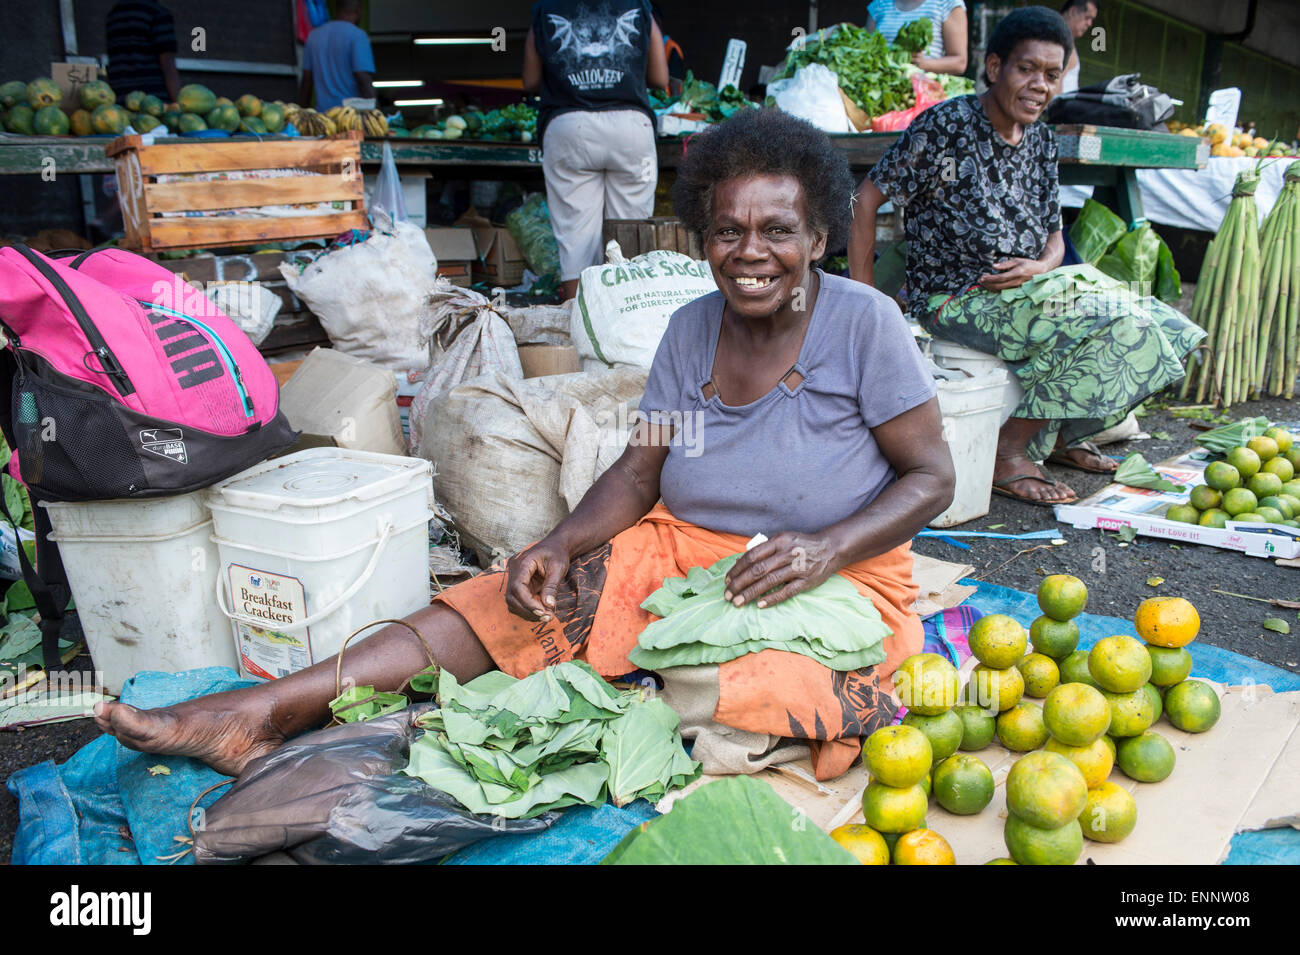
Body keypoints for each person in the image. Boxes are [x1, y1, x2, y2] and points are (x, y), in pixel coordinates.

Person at [93, 108, 956, 784]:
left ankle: (657, 687)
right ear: (702, 236)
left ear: (818, 237)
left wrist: (825, 547)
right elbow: (640, 467)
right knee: (499, 605)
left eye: (778, 231)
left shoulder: (861, 324)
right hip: (685, 556)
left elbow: (932, 477)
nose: (752, 253)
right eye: (729, 231)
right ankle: (265, 709)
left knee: (771, 689)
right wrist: (560, 541)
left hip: (839, 575)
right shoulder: (693, 330)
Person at [848, 5, 1203, 506]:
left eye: (1052, 74)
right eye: (1027, 69)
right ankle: (1008, 452)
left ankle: (1060, 437)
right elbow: (866, 199)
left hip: (1031, 287)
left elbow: (1055, 233)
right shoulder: (946, 126)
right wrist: (868, 302)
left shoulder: (1039, 138)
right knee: (1123, 326)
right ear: (995, 68)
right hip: (958, 298)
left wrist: (1040, 265)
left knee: (1164, 324)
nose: (1041, 85)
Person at [523, 0, 669, 300]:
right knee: (630, 238)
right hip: (630, 130)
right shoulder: (639, 9)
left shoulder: (546, 10)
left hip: (569, 128)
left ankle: (577, 331)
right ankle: (629, 325)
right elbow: (660, 79)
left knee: (576, 242)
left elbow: (530, 81)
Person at [298, 0, 376, 112]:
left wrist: (301, 113)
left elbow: (307, 81)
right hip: (351, 117)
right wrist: (376, 112)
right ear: (358, 11)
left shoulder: (314, 36)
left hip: (324, 117)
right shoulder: (358, 35)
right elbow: (363, 78)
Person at [866, 0, 968, 76]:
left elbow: (959, 62)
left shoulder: (947, 4)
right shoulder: (879, 5)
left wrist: (923, 64)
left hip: (926, 90)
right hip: (883, 82)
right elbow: (866, 51)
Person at [105, 0, 180, 102]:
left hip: (120, 96)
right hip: (153, 99)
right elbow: (168, 64)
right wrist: (177, 102)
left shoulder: (114, 14)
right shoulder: (158, 13)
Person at [1060, 0, 1099, 93]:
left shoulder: (1067, 40)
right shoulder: (1057, 39)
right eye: (1087, 17)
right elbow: (1055, 83)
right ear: (1072, 11)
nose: (1090, 24)